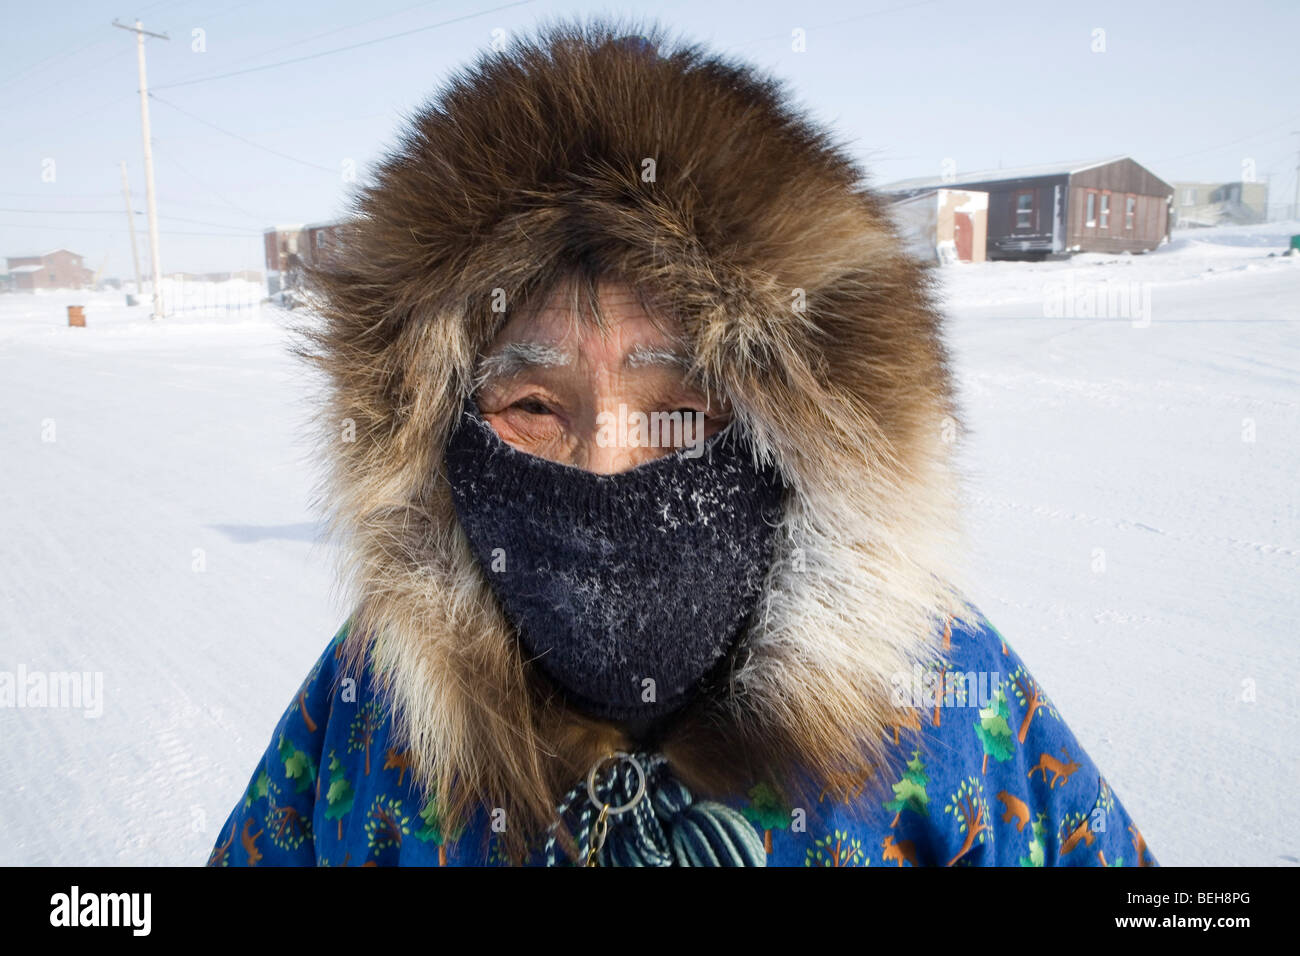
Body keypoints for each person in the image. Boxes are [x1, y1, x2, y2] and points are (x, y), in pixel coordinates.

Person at [207, 20, 1156, 867]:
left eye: (683, 411)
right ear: (432, 438)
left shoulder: (944, 690)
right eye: (533, 405)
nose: (608, 464)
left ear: (801, 440)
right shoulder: (370, 703)